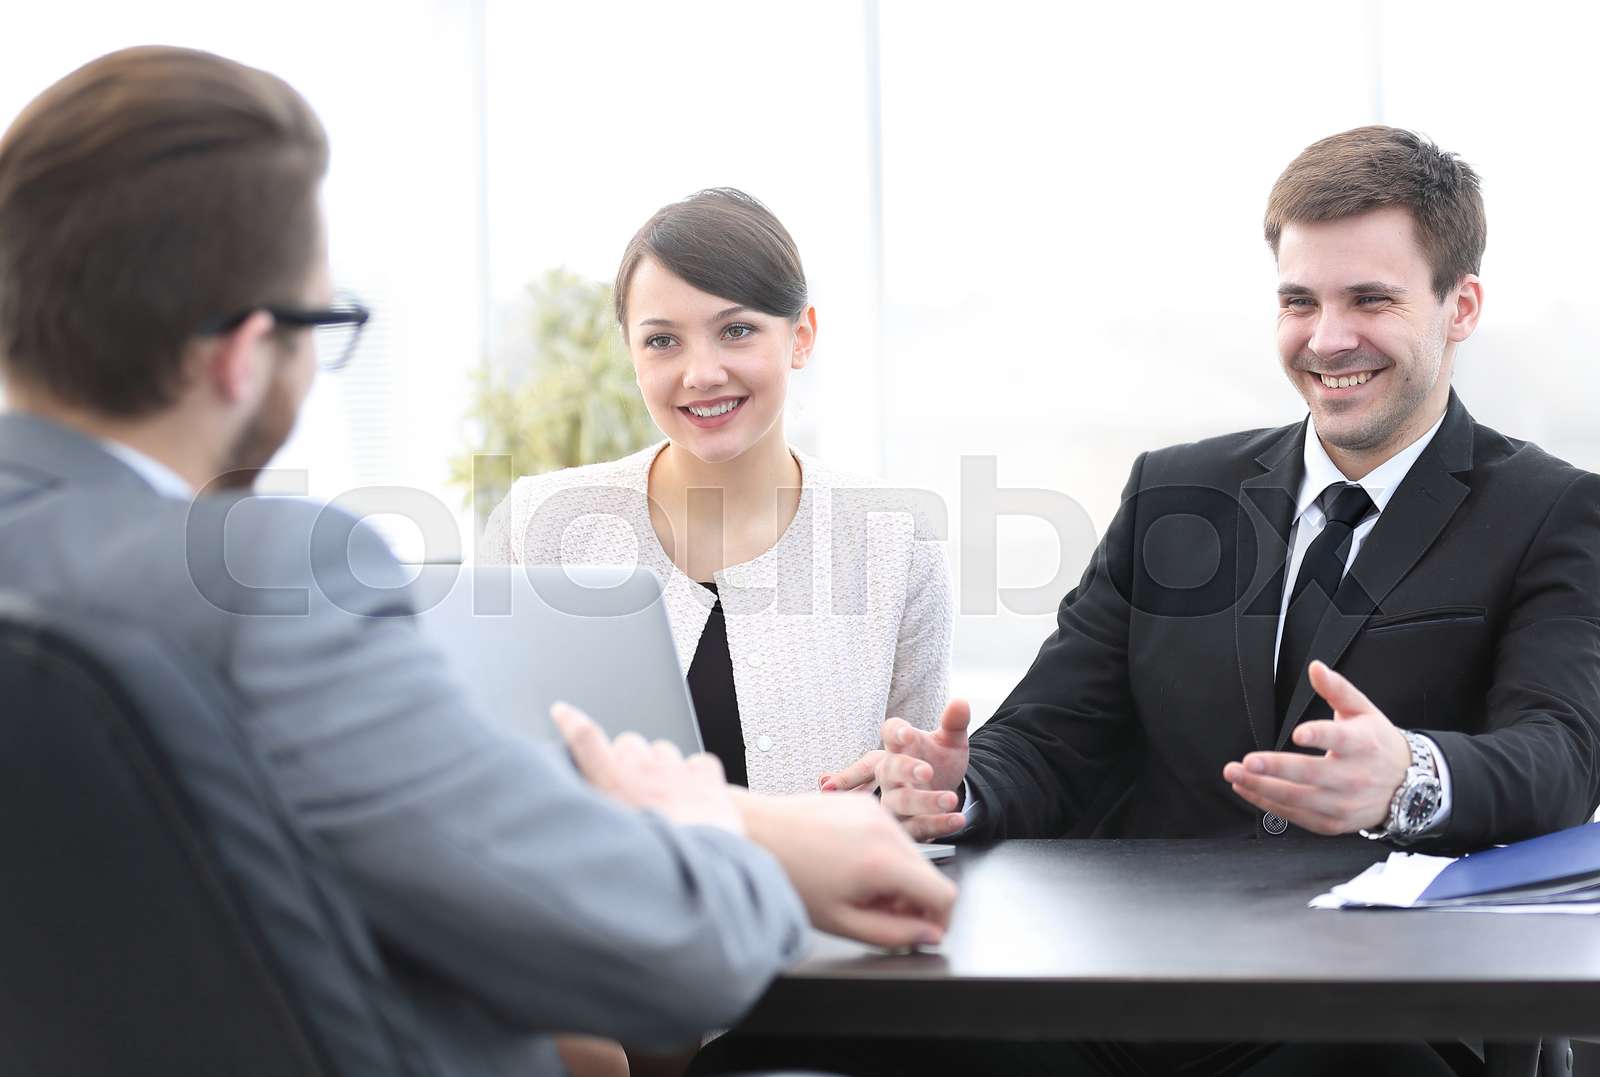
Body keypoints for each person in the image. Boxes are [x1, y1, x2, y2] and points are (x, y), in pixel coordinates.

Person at [0, 46, 956, 1077]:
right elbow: (677, 952)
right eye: (328, 326)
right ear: (243, 350)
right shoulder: (277, 585)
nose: (698, 370)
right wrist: (715, 819)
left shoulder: (888, 535)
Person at [812, 126, 1600, 1075]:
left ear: (1459, 305)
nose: (1328, 338)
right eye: (1299, 301)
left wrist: (1406, 776)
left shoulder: (1553, 508)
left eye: (1371, 300)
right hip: (1135, 989)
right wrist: (957, 789)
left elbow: (1560, 756)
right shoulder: (1175, 496)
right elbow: (1055, 735)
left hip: (1376, 1011)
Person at [482, 188, 952, 794]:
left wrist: (923, 797)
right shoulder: (536, 525)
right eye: (662, 340)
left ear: (801, 336)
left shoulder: (896, 536)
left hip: (819, 893)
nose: (701, 373)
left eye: (736, 330)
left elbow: (913, 799)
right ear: (631, 352)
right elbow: (491, 778)